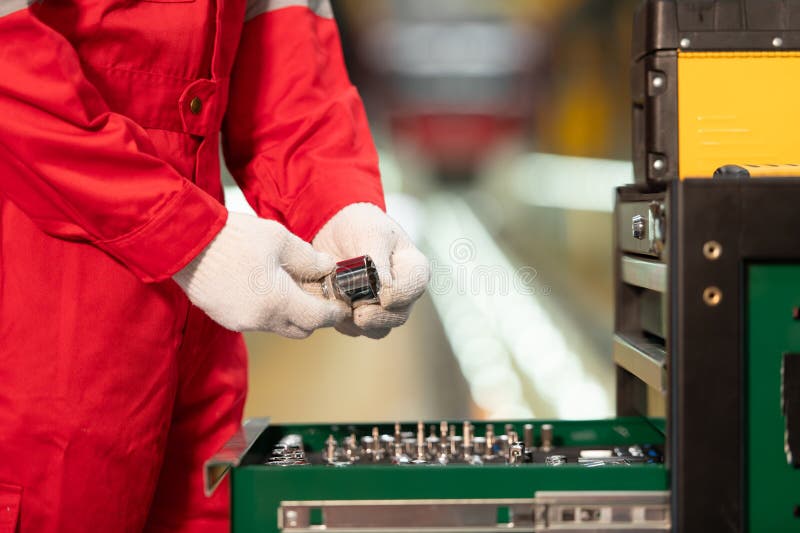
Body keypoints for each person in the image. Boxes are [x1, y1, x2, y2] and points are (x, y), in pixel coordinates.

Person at [0, 0, 429, 531]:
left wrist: (340, 207)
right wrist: (186, 235)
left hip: (197, 329)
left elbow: (286, 60)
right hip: (37, 290)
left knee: (205, 503)